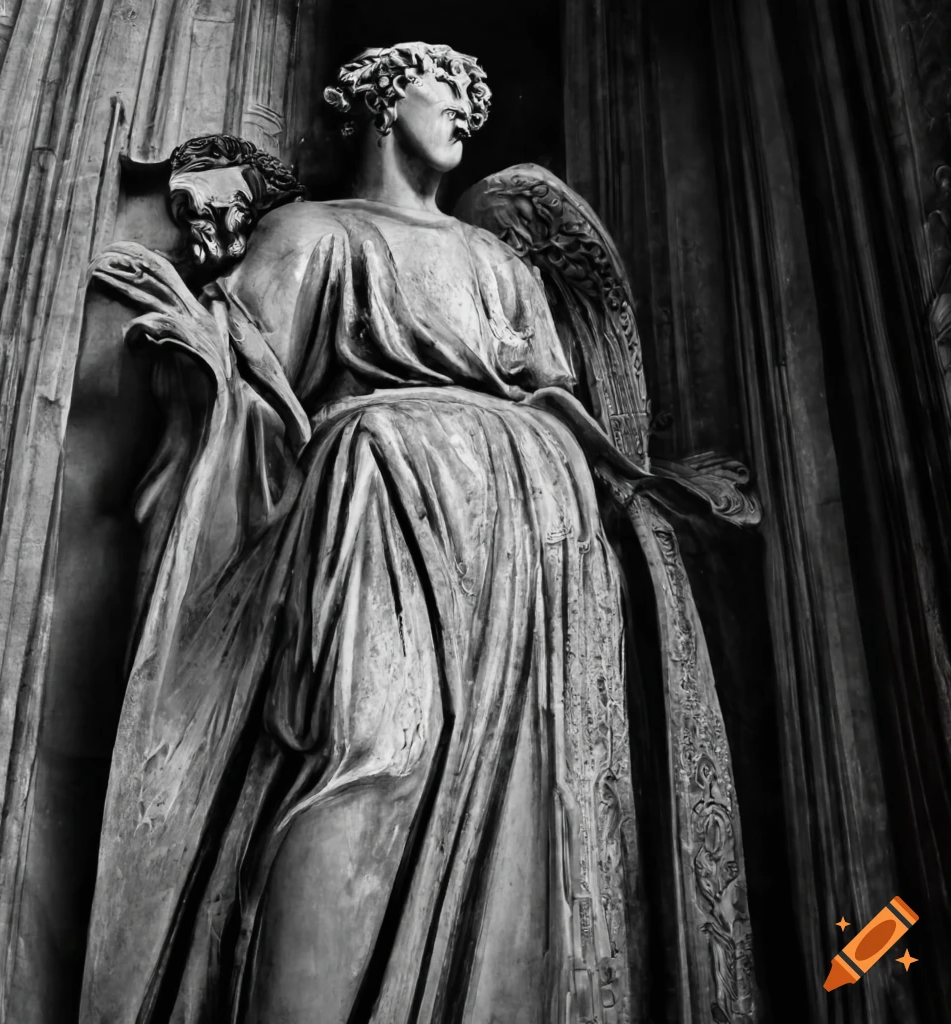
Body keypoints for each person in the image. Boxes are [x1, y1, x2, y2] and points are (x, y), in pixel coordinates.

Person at [81, 42, 756, 1024]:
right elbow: (255, 386)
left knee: (541, 810)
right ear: (384, 97)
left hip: (536, 524)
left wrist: (645, 484)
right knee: (369, 749)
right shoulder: (311, 235)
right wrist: (202, 359)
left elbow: (560, 402)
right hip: (382, 490)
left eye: (476, 104)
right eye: (448, 91)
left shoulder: (497, 260)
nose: (465, 117)